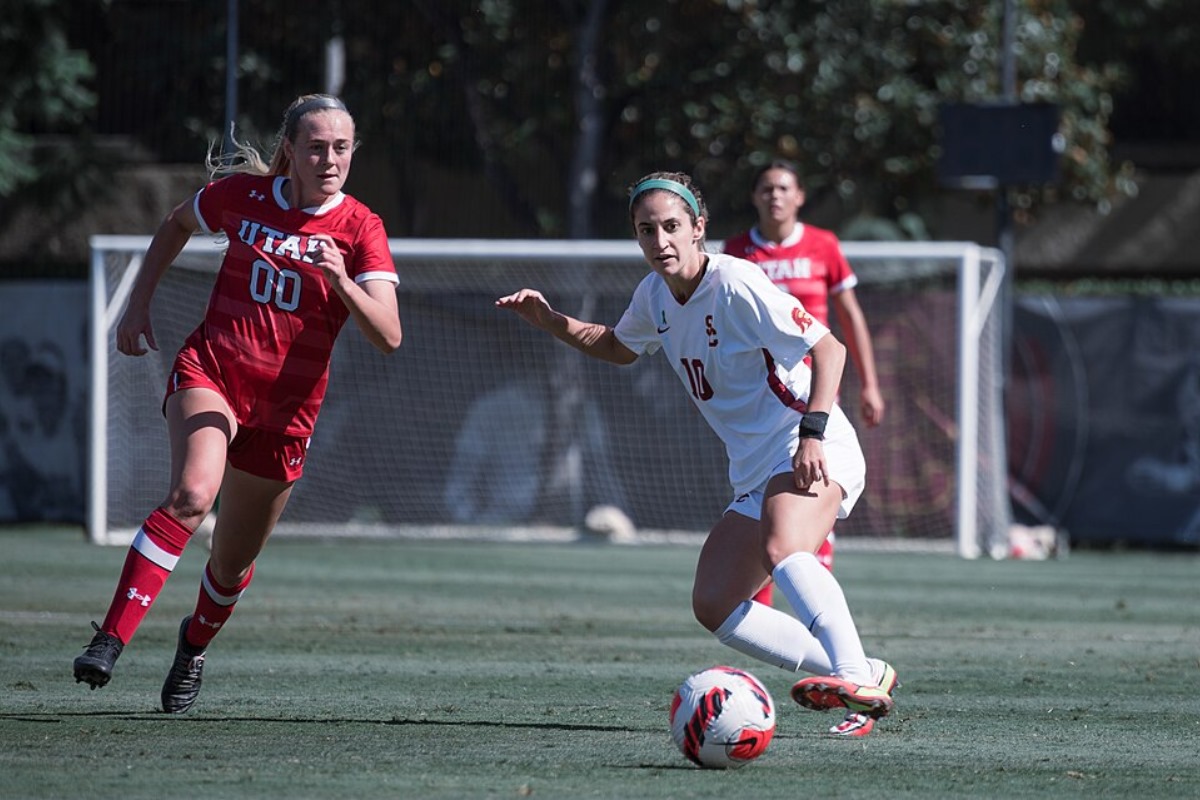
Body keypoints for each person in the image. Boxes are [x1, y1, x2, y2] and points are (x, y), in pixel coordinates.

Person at [497, 171, 897, 737]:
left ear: (698, 228)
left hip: (811, 441)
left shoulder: (737, 283)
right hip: (756, 468)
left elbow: (829, 350)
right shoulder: (654, 294)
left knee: (784, 546)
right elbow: (617, 345)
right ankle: (857, 671)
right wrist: (551, 321)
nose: (660, 241)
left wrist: (812, 432)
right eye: (646, 230)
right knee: (715, 602)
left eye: (671, 227)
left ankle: (856, 682)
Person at [73, 94, 403, 713]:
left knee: (229, 565)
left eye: (341, 147)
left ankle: (192, 646)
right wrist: (138, 301)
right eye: (315, 146)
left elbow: (389, 335)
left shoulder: (362, 228)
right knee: (194, 495)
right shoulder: (245, 199)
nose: (329, 159)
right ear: (290, 151)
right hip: (213, 372)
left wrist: (341, 282)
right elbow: (176, 223)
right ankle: (109, 641)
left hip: (286, 416)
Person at [724, 159, 885, 599]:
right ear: (755, 197)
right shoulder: (736, 252)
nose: (774, 195)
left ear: (799, 197)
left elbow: (850, 317)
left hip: (812, 391)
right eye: (766, 188)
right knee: (762, 497)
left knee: (812, 481)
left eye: (783, 188)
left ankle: (822, 620)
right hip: (761, 394)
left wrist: (869, 384)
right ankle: (767, 623)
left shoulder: (823, 245)